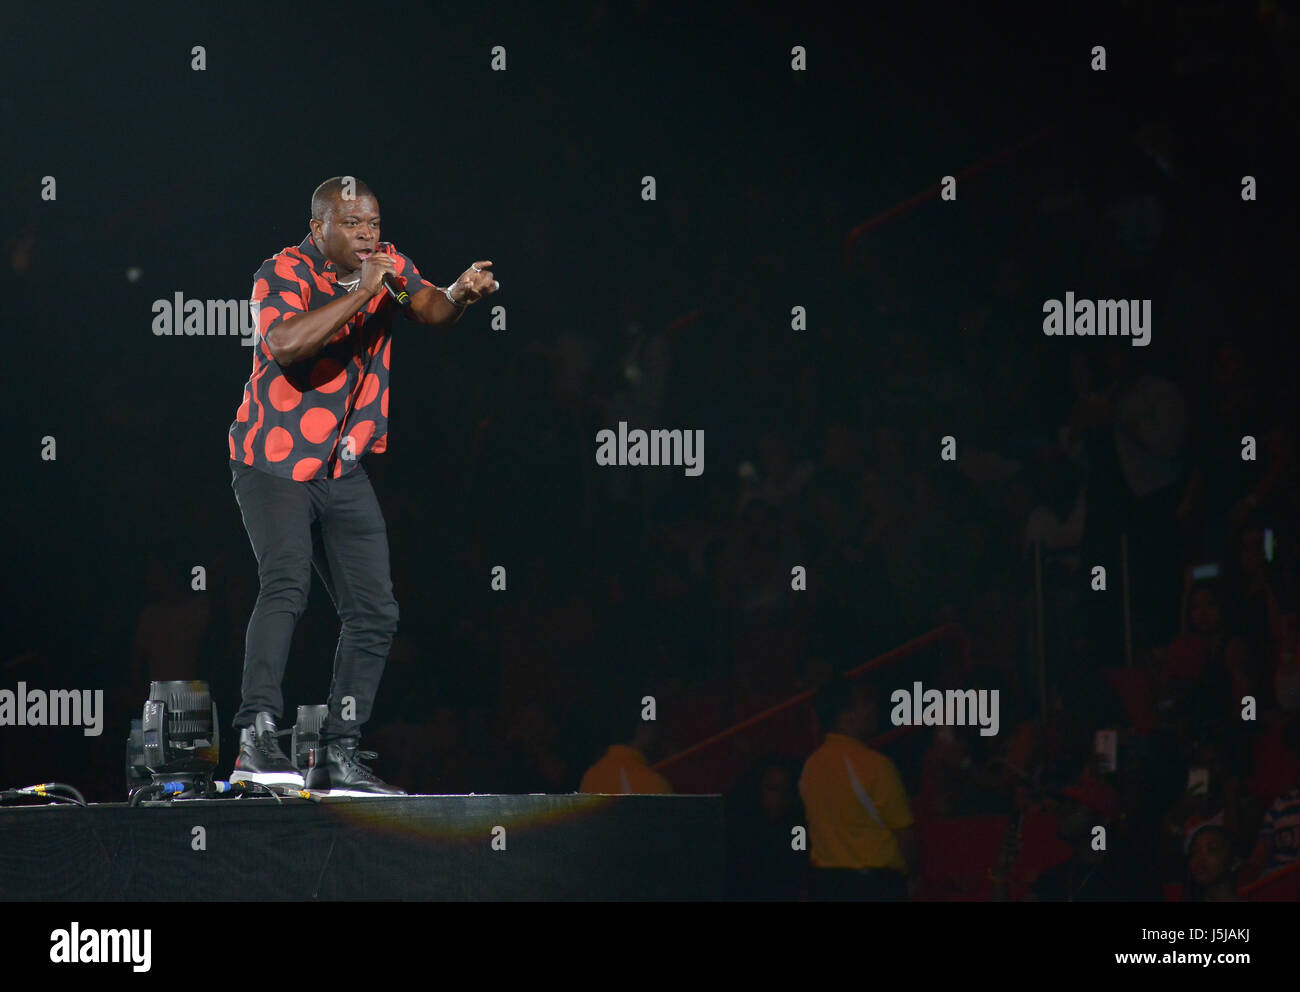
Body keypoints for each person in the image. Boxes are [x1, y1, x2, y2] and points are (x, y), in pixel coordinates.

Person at [225, 176, 499, 795]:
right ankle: (255, 737)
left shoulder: (388, 264)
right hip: (273, 459)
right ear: (320, 226)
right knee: (287, 583)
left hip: (340, 466)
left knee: (375, 611)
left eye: (373, 224)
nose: (369, 235)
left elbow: (430, 309)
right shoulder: (281, 272)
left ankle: (337, 752)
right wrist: (364, 291)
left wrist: (459, 292)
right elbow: (286, 344)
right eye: (354, 225)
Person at [798, 676, 916, 900]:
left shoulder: (810, 768)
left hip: (826, 887)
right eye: (864, 703)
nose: (873, 709)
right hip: (875, 887)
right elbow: (905, 838)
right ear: (845, 716)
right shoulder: (877, 766)